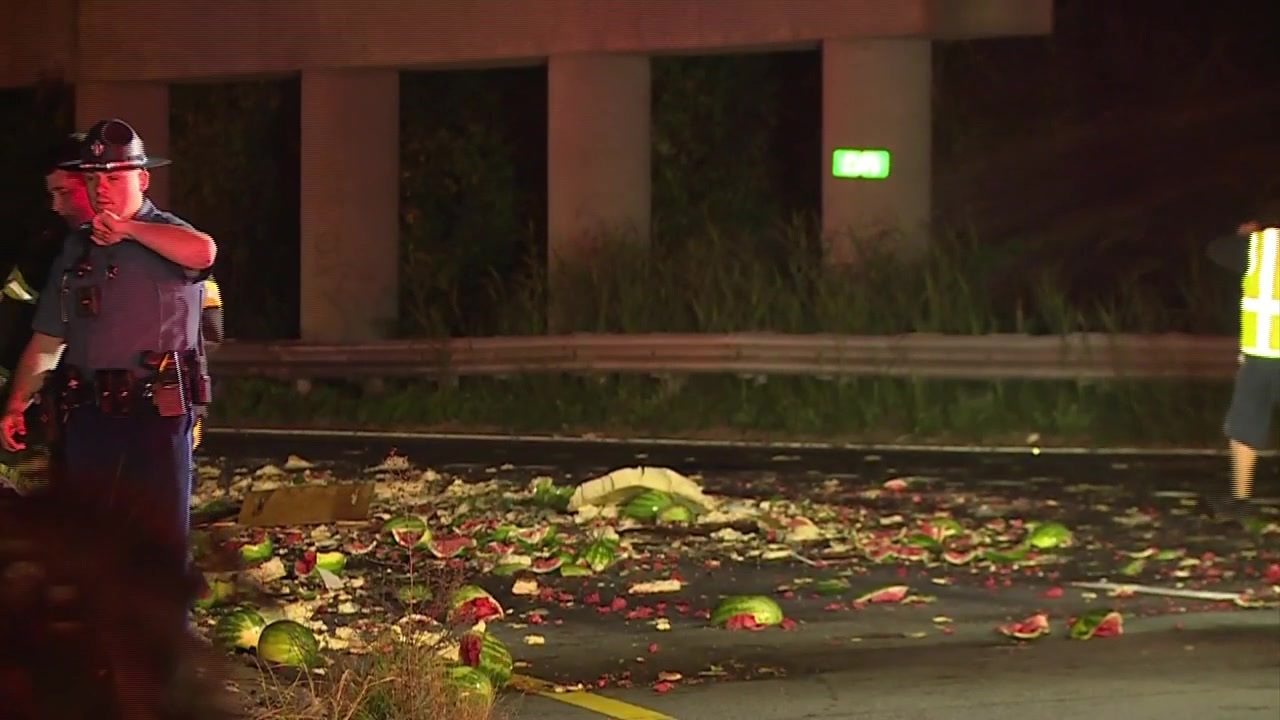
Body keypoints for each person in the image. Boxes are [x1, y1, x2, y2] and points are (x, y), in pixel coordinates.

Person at [0, 119, 217, 582]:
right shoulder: (75, 250)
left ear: (142, 179)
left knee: (158, 550)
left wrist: (130, 230)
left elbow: (203, 252)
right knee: (89, 547)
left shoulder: (166, 235)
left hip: (155, 417)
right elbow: (46, 340)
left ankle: (160, 652)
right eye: (94, 179)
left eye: (114, 178)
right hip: (90, 419)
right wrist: (18, 403)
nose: (102, 189)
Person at [0, 133, 94, 493]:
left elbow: (207, 326)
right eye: (51, 194)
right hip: (52, 399)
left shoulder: (162, 241)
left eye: (64, 193)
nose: (56, 206)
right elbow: (24, 327)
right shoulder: (51, 249)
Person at [1205, 217, 1280, 522]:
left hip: (1260, 356)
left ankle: (1240, 498)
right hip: (1261, 356)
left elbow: (1215, 250)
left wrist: (1248, 235)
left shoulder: (1258, 248)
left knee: (1245, 428)